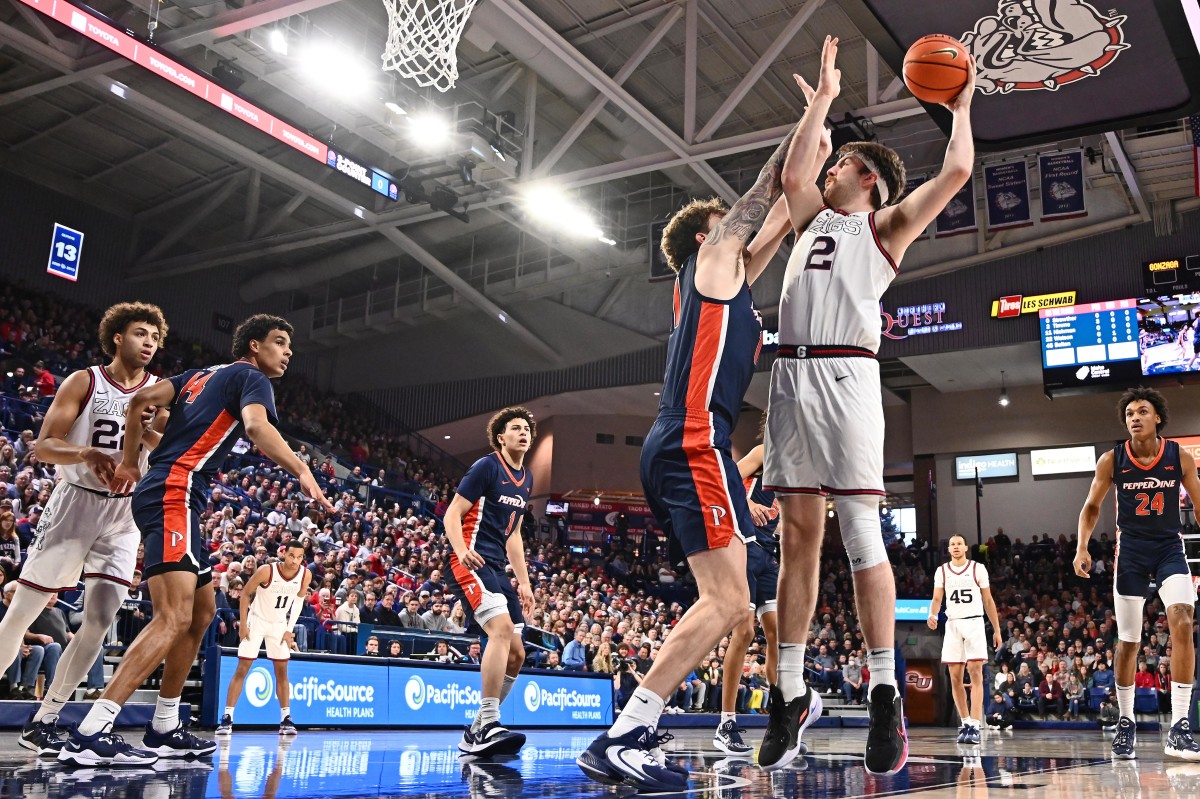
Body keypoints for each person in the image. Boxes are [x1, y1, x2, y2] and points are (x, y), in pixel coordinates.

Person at [577, 70, 803, 791]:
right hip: (693, 441)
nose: (739, 230)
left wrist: (820, 161)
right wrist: (811, 116)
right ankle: (624, 733)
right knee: (729, 602)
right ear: (709, 237)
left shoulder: (728, 283)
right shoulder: (708, 260)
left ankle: (631, 730)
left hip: (692, 444)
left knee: (729, 601)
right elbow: (763, 197)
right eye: (727, 224)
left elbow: (784, 215)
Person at [761, 36, 976, 774]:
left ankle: (885, 690)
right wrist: (822, 100)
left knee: (858, 532)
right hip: (789, 378)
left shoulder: (884, 228)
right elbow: (792, 172)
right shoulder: (810, 218)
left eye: (841, 164)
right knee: (797, 539)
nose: (828, 170)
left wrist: (960, 107)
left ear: (869, 179)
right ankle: (789, 692)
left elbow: (957, 170)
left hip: (848, 377)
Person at [58, 315, 333, 767]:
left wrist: (131, 462)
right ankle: (91, 731)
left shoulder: (197, 376)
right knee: (173, 616)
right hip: (176, 491)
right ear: (253, 346)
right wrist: (301, 468)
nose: (287, 353)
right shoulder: (252, 378)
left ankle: (165, 726)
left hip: (174, 493)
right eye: (280, 342)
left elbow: (140, 400)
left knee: (202, 612)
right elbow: (256, 428)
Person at [4, 303, 168, 756]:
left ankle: (45, 719)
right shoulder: (85, 381)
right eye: (140, 333)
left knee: (99, 620)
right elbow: (44, 446)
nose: (149, 343)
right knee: (22, 612)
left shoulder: (161, 392)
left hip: (124, 514)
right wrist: (86, 454)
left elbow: (167, 451)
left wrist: (149, 433)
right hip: (75, 502)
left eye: (155, 337)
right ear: (117, 336)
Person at [1074, 387, 1200, 761]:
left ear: (1157, 417)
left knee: (1182, 619)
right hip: (1130, 553)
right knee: (1129, 641)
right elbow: (1091, 507)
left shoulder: (1179, 456)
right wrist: (1082, 547)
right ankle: (1126, 721)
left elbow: (1198, 501)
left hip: (1169, 548)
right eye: (1129, 413)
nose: (1135, 417)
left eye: (1142, 411)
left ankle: (1180, 727)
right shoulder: (1112, 460)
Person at [444, 407, 536, 757]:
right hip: (470, 559)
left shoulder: (527, 479)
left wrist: (524, 582)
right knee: (500, 629)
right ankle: (490, 724)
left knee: (517, 654)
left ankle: (477, 728)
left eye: (527, 428)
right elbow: (452, 514)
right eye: (516, 428)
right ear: (501, 437)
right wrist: (461, 550)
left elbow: (514, 534)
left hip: (497, 566)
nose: (523, 432)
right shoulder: (486, 467)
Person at [714, 428, 783, 757]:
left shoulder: (800, 467)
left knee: (778, 634)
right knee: (743, 632)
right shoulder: (763, 452)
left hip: (769, 554)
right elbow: (722, 481)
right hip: (743, 546)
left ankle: (779, 717)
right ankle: (726, 723)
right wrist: (749, 501)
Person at [215, 540, 309, 736]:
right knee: (243, 668)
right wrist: (243, 624)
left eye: (299, 557)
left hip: (279, 624)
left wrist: (289, 629)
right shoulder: (267, 571)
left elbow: (299, 601)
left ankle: (286, 719)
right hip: (256, 621)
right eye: (292, 556)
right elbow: (245, 594)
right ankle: (227, 717)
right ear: (284, 554)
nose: (295, 560)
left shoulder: (304, 574)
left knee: (282, 672)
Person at [927, 534, 1002, 746]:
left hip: (974, 622)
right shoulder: (942, 571)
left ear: (966, 547)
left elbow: (988, 600)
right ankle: (966, 723)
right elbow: (937, 598)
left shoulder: (978, 568)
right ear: (948, 549)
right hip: (953, 624)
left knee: (976, 673)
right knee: (954, 677)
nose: (956, 547)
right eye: (952, 544)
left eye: (959, 543)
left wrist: (996, 630)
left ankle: (976, 725)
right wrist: (932, 615)